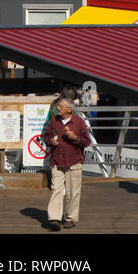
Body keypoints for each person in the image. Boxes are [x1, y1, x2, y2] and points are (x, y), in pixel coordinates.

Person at [42, 97, 92, 230]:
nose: (58, 108)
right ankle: (54, 218)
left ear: (69, 109)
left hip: (74, 161)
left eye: (61, 106)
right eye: (58, 106)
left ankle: (70, 218)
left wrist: (74, 137)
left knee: (73, 192)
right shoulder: (54, 121)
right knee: (56, 190)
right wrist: (50, 141)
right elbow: (46, 136)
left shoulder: (79, 122)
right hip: (57, 161)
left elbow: (87, 141)